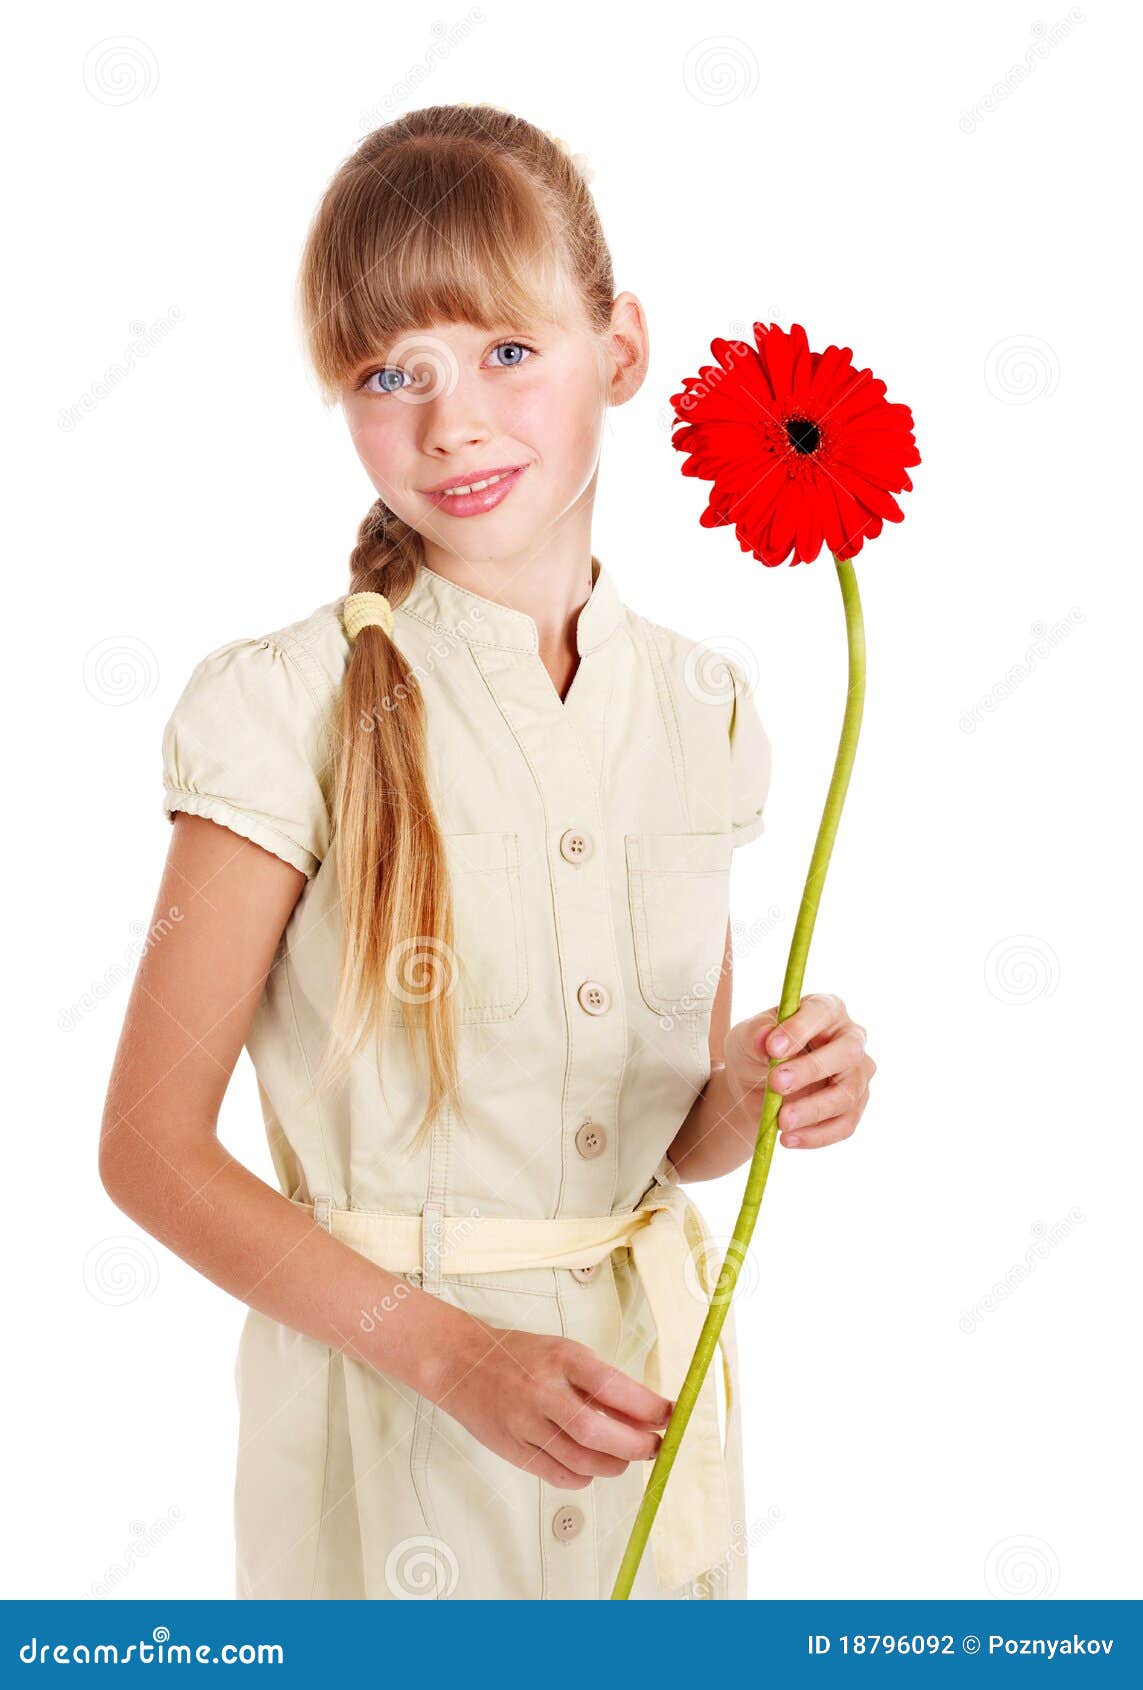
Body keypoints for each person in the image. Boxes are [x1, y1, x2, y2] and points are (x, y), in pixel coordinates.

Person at [99, 102, 876, 1601]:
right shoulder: (283, 708)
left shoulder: (704, 709)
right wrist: (445, 1353)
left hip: (645, 1419)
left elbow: (668, 1131)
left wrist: (758, 1084)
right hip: (393, 1456)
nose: (451, 421)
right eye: (392, 373)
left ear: (624, 346)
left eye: (506, 352)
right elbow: (149, 1149)